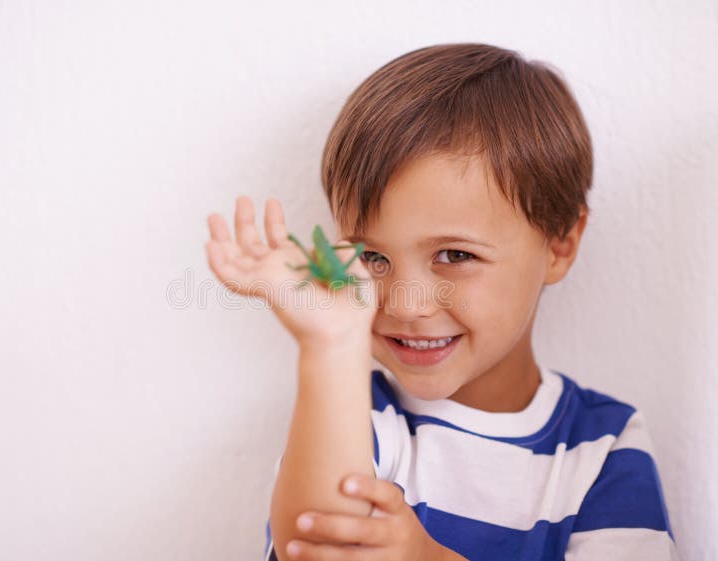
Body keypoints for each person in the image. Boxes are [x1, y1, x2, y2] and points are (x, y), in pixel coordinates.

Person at [205, 42, 678, 561]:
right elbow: (315, 547)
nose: (406, 304)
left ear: (559, 245)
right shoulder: (352, 416)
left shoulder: (603, 446)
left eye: (455, 255)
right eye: (372, 257)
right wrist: (330, 345)